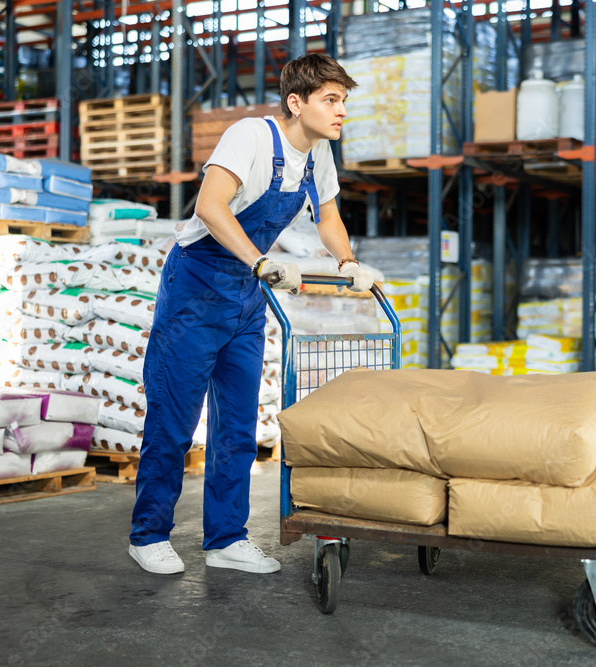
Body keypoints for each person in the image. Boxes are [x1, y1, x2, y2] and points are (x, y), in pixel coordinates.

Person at [128, 54, 374, 575]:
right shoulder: (251, 137)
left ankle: (225, 539)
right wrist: (262, 260)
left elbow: (328, 217)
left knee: (237, 425)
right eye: (331, 100)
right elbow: (210, 207)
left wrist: (349, 262)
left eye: (344, 101)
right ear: (296, 102)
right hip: (196, 286)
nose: (341, 111)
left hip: (245, 294)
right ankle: (148, 534)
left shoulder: (317, 155)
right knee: (174, 421)